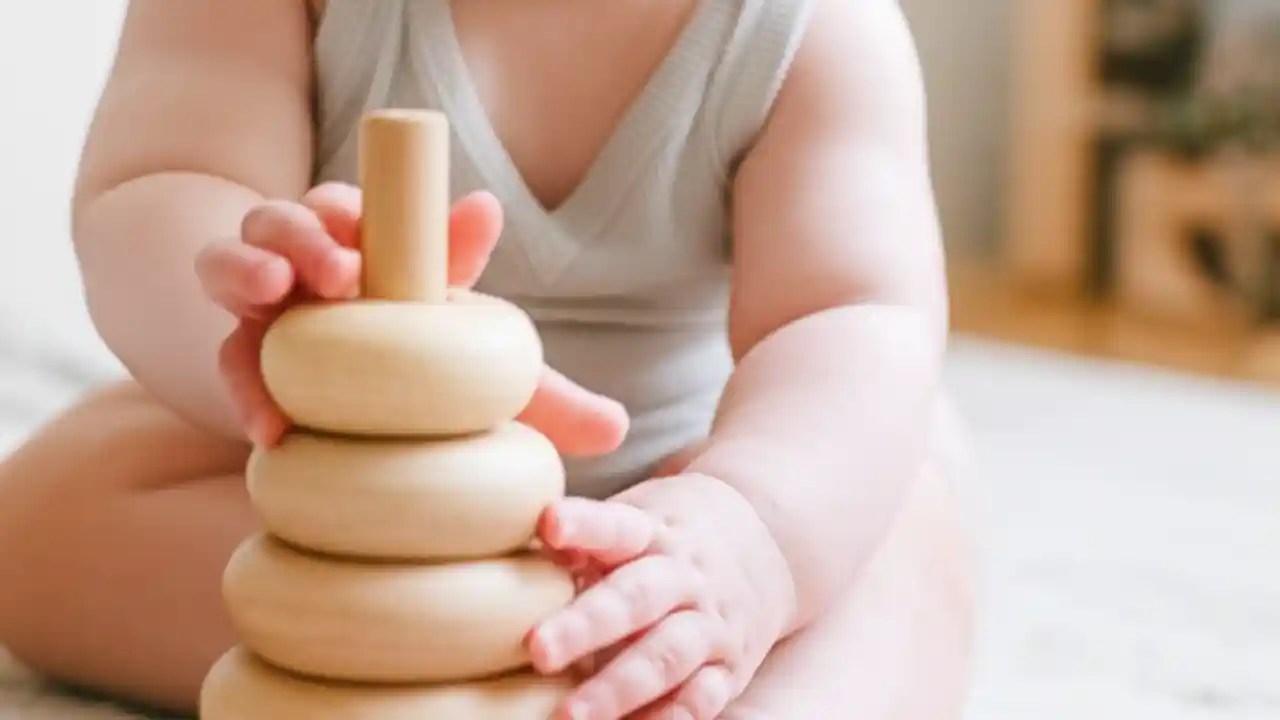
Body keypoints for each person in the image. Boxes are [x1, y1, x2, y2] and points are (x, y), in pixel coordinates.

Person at [0, 0, 977, 717]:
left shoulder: (810, 30)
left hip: (673, 494)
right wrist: (264, 298)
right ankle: (522, 668)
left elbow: (848, 315)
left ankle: (651, 652)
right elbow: (158, 187)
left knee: (888, 531)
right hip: (352, 488)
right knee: (38, 523)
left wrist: (751, 532)